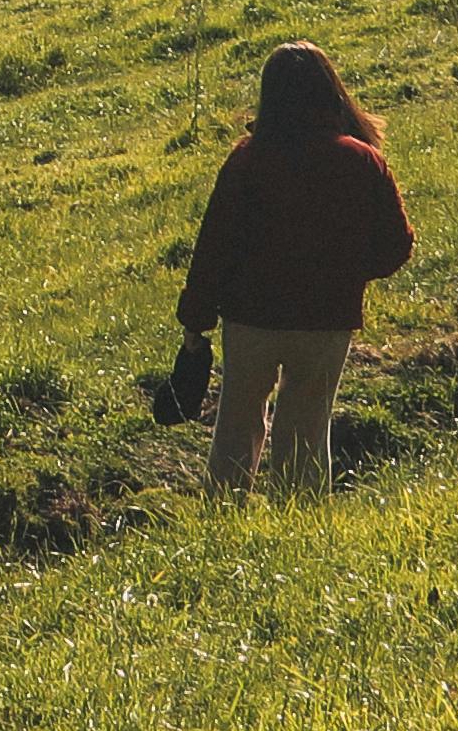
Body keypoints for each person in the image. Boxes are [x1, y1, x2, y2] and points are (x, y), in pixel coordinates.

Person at [176, 41, 415, 504]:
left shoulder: (248, 159)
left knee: (236, 424)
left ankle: (221, 517)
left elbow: (214, 246)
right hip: (326, 318)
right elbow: (396, 245)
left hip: (251, 316)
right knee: (307, 427)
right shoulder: (362, 159)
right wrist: (347, 275)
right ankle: (300, 520)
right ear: (331, 90)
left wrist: (195, 319)